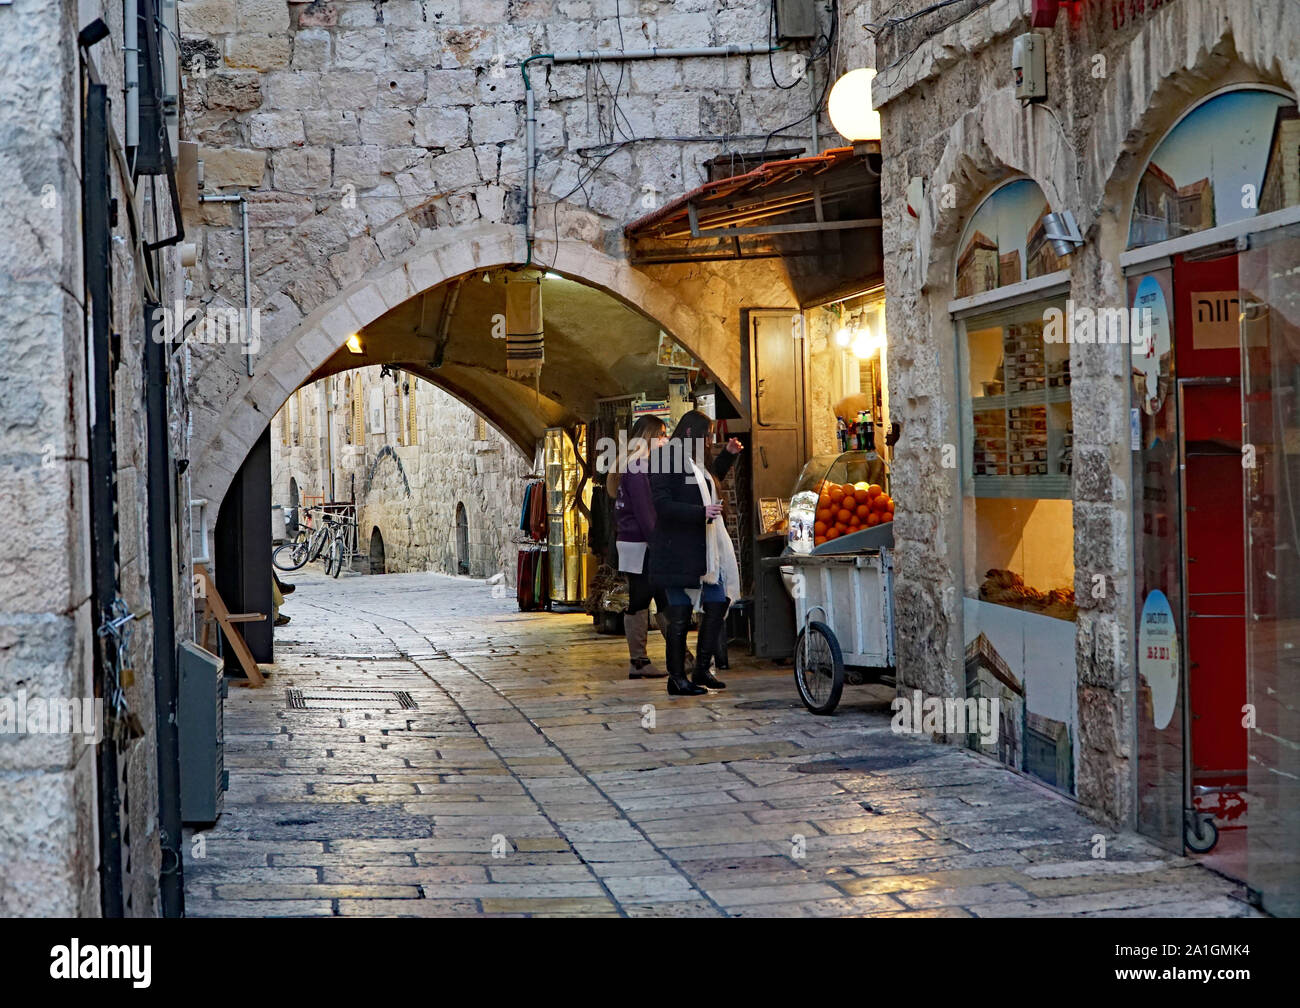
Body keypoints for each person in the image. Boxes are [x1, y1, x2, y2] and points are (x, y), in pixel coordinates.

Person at [648, 410, 743, 696]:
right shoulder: (667, 459)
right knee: (680, 613)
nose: (708, 441)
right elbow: (662, 504)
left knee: (717, 602)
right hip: (678, 549)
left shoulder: (696, 462)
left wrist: (727, 455)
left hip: (706, 548)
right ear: (691, 434)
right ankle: (676, 678)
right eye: (706, 435)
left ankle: (701, 669)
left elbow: (709, 485)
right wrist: (700, 513)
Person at [608, 416, 670, 679]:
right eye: (662, 434)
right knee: (642, 598)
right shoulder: (638, 469)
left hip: (637, 543)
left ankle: (678, 655)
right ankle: (639, 661)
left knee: (660, 597)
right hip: (641, 545)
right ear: (649, 436)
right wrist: (659, 543)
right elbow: (646, 514)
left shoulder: (634, 466)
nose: (665, 440)